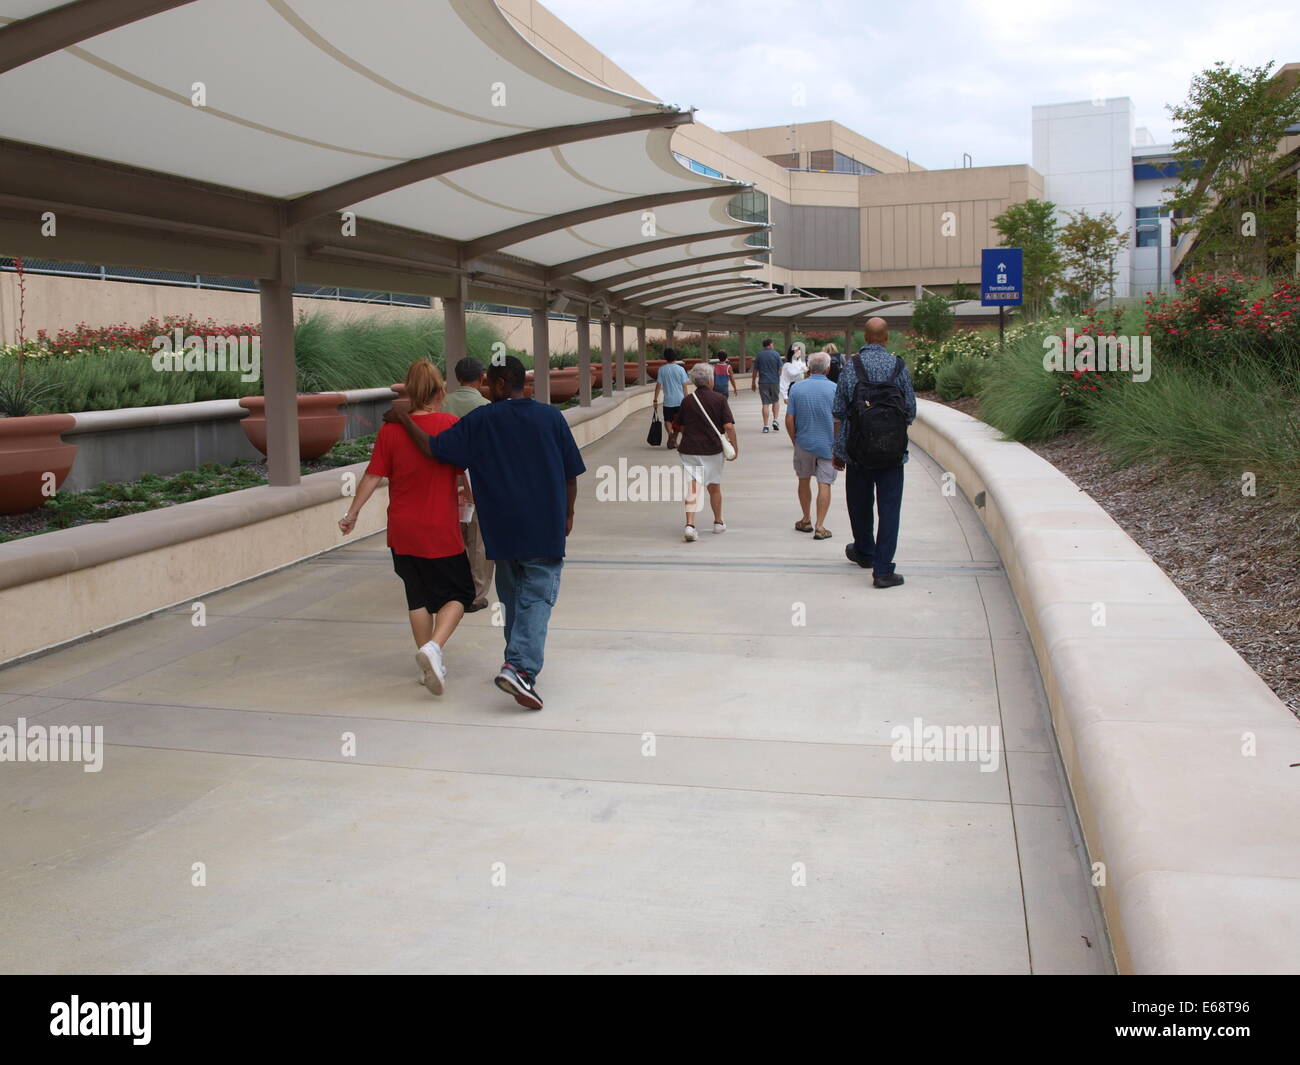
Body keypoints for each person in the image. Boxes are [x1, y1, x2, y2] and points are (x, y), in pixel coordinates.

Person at [383, 355, 585, 710]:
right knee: (536, 597)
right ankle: (520, 668)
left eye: (491, 383)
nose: (487, 388)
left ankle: (515, 663)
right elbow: (571, 474)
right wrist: (568, 514)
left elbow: (433, 449)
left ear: (503, 384)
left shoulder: (481, 420)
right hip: (543, 526)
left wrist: (403, 418)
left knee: (512, 597)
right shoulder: (551, 418)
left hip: (501, 530)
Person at [340, 360, 471, 696]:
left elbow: (373, 475)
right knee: (459, 593)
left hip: (402, 528)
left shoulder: (391, 430)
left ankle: (427, 666)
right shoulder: (450, 425)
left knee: (418, 597)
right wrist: (467, 496)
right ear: (441, 390)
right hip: (439, 526)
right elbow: (463, 472)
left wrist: (352, 513)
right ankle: (434, 649)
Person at [832, 317, 917, 589]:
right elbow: (911, 410)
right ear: (886, 337)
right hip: (893, 455)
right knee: (889, 509)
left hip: (858, 452)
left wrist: (838, 450)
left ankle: (865, 551)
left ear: (865, 338)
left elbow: (839, 411)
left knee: (859, 504)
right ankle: (883, 570)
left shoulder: (851, 367)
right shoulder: (899, 366)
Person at [442, 356, 493, 611]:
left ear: (457, 377)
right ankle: (476, 592)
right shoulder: (486, 407)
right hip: (477, 480)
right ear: (482, 378)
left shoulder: (442, 405)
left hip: (447, 479)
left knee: (455, 536)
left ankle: (455, 589)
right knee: (479, 539)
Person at [672, 362, 738, 541]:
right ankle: (718, 522)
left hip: (690, 449)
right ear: (710, 379)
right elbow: (728, 426)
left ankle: (690, 525)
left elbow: (680, 425)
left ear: (694, 381)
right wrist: (735, 447)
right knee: (714, 487)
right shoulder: (719, 399)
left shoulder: (687, 400)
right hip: (712, 450)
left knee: (693, 488)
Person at [785, 351, 838, 540]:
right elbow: (839, 420)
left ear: (809, 367)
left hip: (804, 442)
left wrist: (794, 439)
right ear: (828, 368)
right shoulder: (835, 389)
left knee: (803, 479)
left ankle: (806, 519)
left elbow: (789, 419)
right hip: (828, 444)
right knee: (825, 483)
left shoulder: (797, 389)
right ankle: (820, 526)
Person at [652, 348, 689, 449]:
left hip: (668, 400)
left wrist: (655, 399)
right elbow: (684, 386)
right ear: (675, 357)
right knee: (678, 421)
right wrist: (687, 399)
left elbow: (658, 385)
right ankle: (674, 440)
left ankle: (670, 435)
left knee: (668, 419)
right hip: (680, 400)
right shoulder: (681, 369)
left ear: (665, 357)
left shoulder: (662, 369)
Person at [749, 338, 782, 432]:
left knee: (765, 403)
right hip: (774, 381)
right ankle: (775, 420)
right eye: (773, 344)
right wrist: (778, 376)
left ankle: (766, 426)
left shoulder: (759, 355)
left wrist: (753, 383)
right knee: (775, 401)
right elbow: (780, 368)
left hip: (763, 382)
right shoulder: (776, 354)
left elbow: (755, 370)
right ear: (770, 344)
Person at [778, 342, 807, 420]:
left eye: (799, 350)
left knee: (803, 411)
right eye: (796, 350)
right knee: (793, 412)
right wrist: (785, 396)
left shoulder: (803, 363)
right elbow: (784, 380)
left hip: (804, 388)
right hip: (793, 388)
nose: (798, 352)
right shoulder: (787, 365)